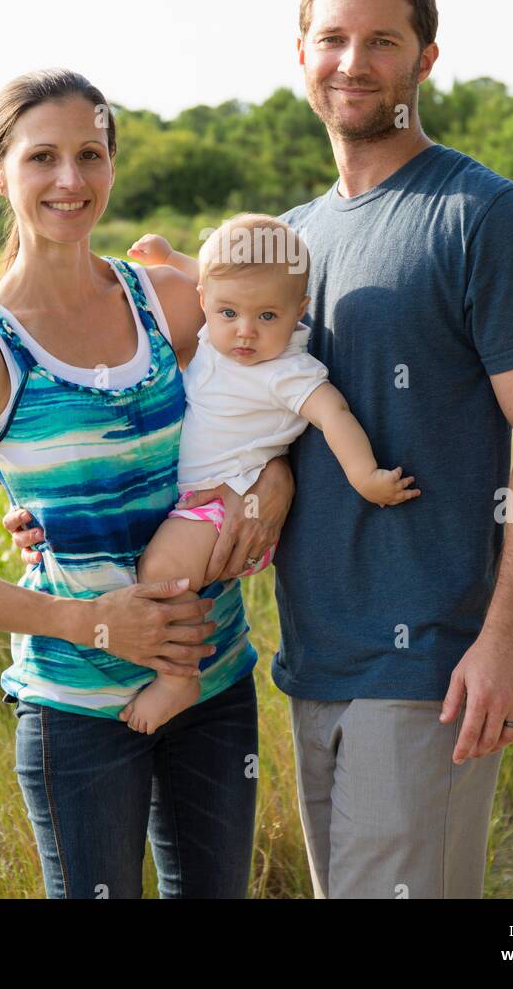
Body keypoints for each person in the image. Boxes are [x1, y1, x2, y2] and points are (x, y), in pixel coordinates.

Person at [0, 0, 513, 900]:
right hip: (309, 658)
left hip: (429, 661)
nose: (354, 62)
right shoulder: (291, 242)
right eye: (333, 39)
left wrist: (510, 636)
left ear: (426, 59)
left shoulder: (483, 216)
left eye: (382, 41)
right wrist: (55, 507)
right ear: (301, 56)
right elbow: (231, 414)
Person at [0, 67, 294, 900]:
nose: (70, 180)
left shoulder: (173, 302)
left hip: (213, 682)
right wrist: (92, 622)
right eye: (43, 158)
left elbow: (271, 400)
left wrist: (274, 483)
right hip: (77, 706)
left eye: (90, 154)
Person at [118, 214, 421, 734]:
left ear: (298, 313)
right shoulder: (218, 334)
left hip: (221, 505)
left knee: (161, 574)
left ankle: (178, 676)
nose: (245, 331)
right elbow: (215, 280)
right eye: (229, 313)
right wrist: (170, 259)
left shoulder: (287, 373)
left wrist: (366, 476)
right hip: (191, 497)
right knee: (155, 570)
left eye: (266, 317)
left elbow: (335, 416)